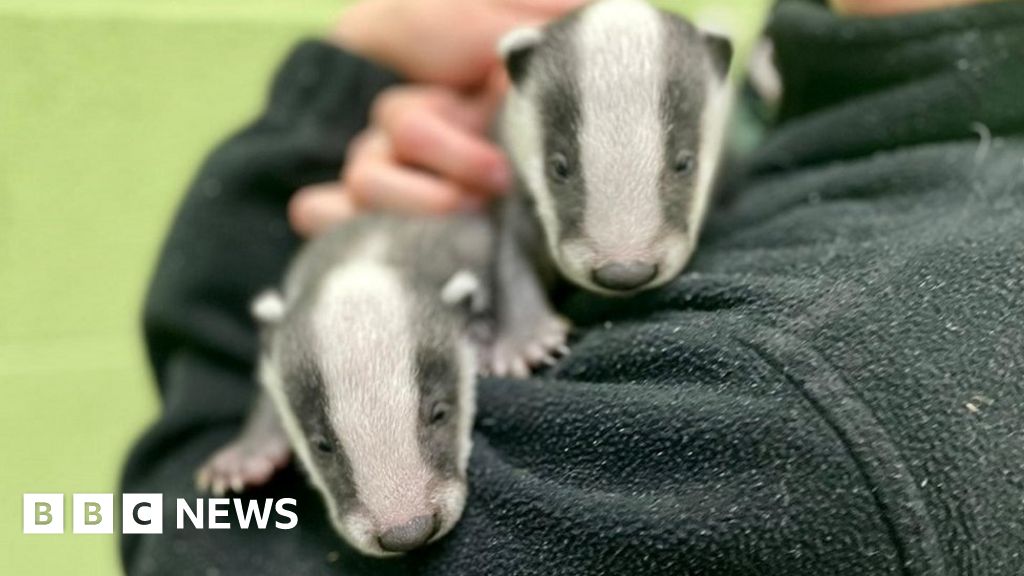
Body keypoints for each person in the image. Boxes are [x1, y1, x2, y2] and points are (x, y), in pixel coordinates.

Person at [121, 0, 1024, 574]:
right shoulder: (828, 126)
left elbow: (196, 537)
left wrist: (330, 103)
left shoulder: (784, 406)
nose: (624, 260)